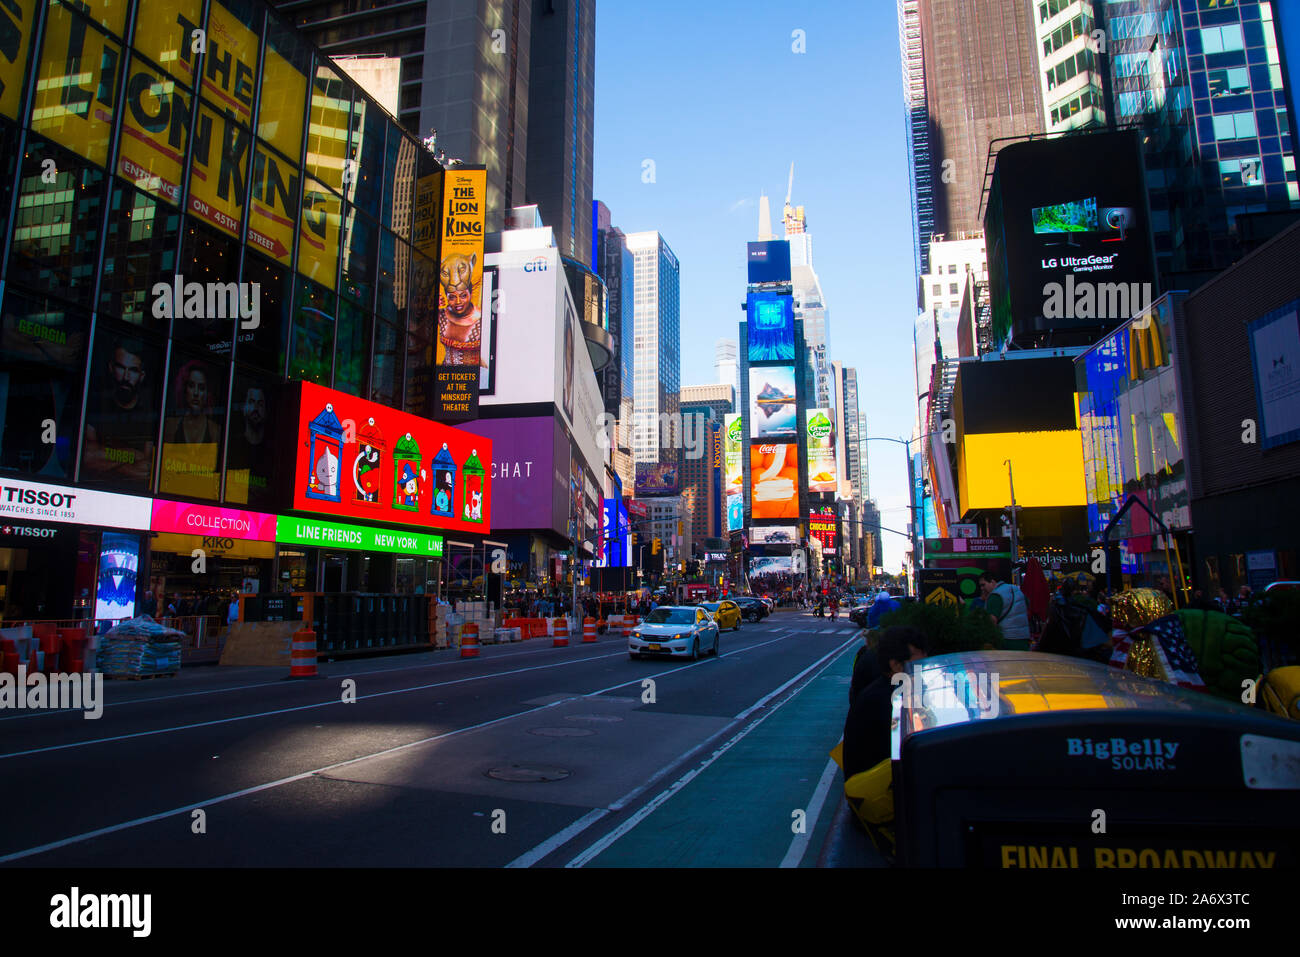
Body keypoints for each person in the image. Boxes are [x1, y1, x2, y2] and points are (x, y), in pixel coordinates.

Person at [842, 626, 930, 779]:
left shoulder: (896, 690)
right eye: (919, 659)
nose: (926, 663)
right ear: (896, 665)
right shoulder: (885, 702)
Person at [82, 337, 156, 485]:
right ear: (111, 368)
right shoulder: (97, 404)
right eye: (121, 368)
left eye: (133, 370)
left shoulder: (148, 416)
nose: (126, 377)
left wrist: (105, 459)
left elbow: (146, 470)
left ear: (142, 376)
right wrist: (133, 455)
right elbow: (87, 457)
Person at [979, 570, 1031, 650]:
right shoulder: (1015, 589)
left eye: (983, 585)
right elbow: (1027, 605)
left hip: (1006, 640)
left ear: (992, 582)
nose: (982, 588)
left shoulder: (995, 595)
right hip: (1024, 638)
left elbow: (991, 621)